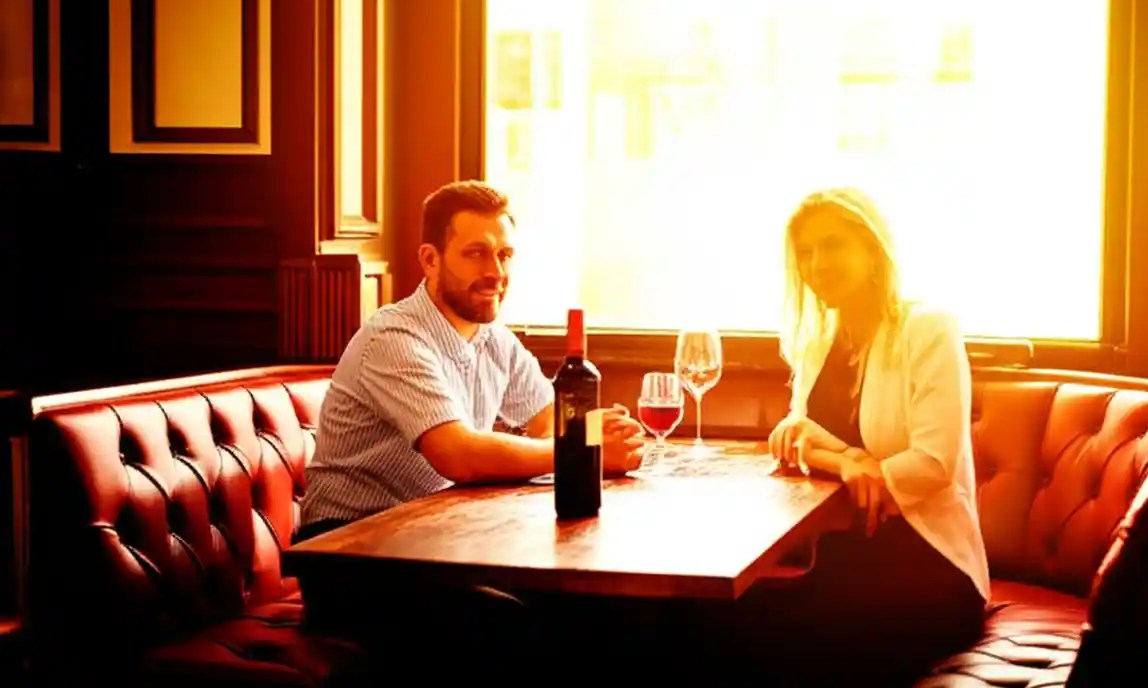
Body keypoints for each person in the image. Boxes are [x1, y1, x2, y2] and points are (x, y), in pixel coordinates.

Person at [295, 179, 646, 678]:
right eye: (476, 253)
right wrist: (582, 451)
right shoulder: (394, 335)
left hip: (435, 547)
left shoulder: (493, 339)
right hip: (349, 558)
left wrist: (598, 440)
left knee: (598, 610)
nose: (496, 272)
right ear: (430, 259)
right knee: (511, 623)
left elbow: (551, 418)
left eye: (505, 254)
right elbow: (456, 453)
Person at [713, 187, 991, 686]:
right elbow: (797, 445)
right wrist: (847, 461)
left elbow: (932, 465)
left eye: (833, 244)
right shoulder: (816, 344)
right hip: (837, 560)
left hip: (926, 564)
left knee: (768, 641)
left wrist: (839, 455)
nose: (817, 263)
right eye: (805, 251)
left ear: (872, 249)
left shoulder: (928, 329)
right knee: (704, 623)